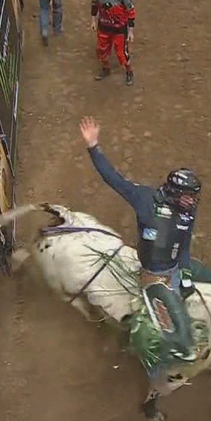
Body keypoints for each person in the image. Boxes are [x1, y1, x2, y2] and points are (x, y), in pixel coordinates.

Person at [79, 116, 202, 361]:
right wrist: (93, 146)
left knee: (210, 280)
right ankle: (158, 369)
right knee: (180, 341)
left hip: (175, 268)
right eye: (188, 196)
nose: (192, 201)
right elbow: (114, 179)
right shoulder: (145, 200)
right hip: (153, 276)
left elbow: (185, 243)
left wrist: (186, 274)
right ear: (176, 193)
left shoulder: (188, 211)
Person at [91, 0, 136, 86]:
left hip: (119, 29)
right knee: (101, 50)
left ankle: (129, 71)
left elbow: (130, 10)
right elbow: (94, 4)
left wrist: (130, 31)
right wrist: (93, 20)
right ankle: (106, 68)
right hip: (104, 27)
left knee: (121, 53)